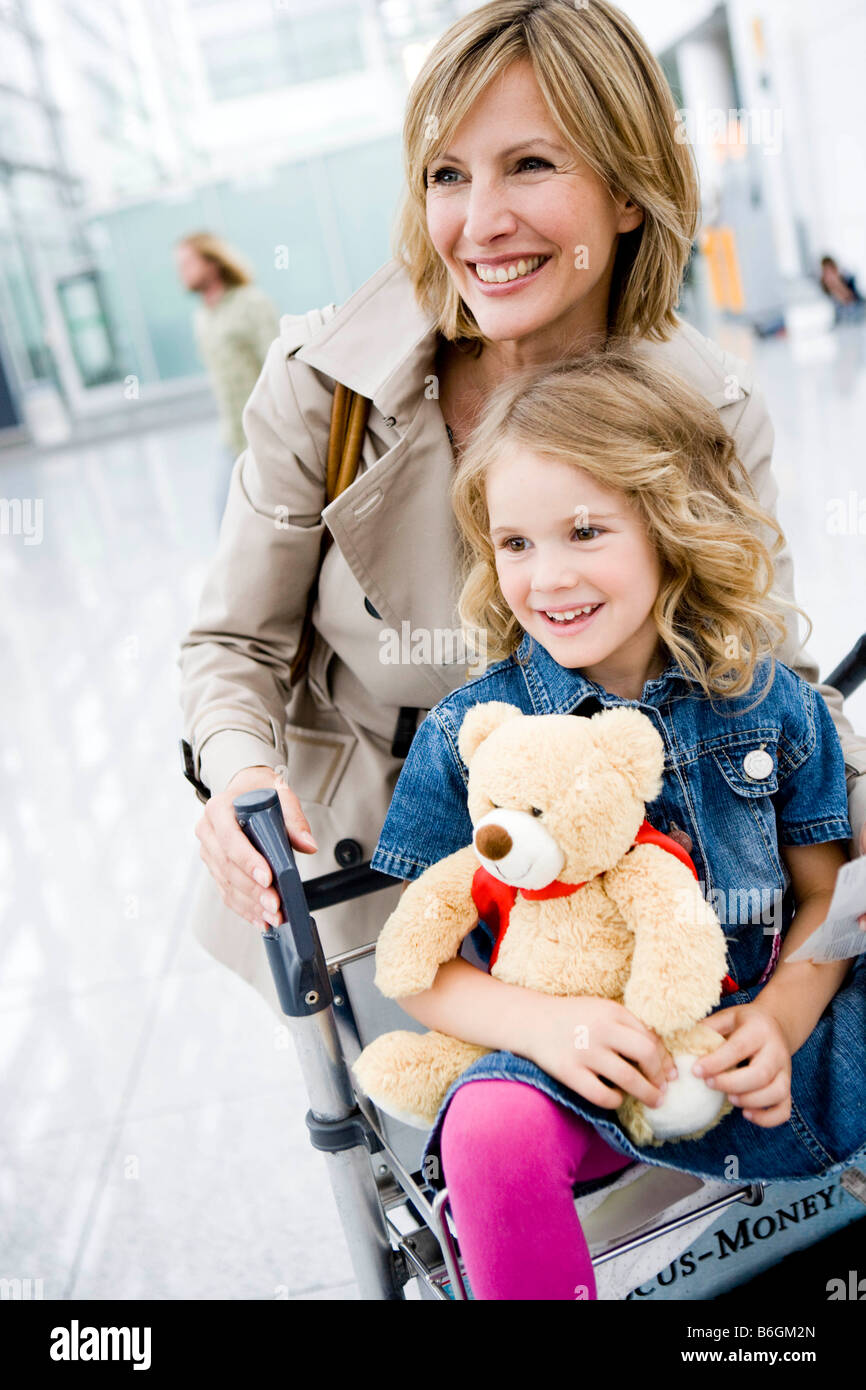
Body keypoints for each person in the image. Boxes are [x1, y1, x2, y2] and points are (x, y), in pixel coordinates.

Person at [177, 0, 866, 1023]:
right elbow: (231, 644)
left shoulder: (706, 409)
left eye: (529, 166)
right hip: (385, 894)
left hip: (644, 878)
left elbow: (756, 668)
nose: (477, 221)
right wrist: (240, 777)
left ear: (629, 191)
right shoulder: (326, 383)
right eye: (446, 173)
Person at [369, 346, 866, 1301]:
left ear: (670, 525)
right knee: (486, 1129)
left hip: (767, 1043)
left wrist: (782, 1016)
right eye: (515, 544)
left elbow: (826, 895)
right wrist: (547, 1028)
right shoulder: (473, 736)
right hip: (585, 1077)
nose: (547, 576)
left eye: (585, 531)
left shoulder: (768, 706)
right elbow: (421, 963)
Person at [174, 231, 280, 517]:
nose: (181, 273)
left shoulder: (252, 303)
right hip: (231, 438)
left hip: (266, 435)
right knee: (223, 517)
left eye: (187, 263)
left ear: (212, 263)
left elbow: (280, 367)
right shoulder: (201, 317)